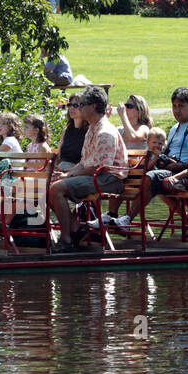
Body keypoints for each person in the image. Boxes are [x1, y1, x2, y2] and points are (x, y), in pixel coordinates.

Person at [48, 85, 127, 253]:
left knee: (56, 188)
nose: (79, 107)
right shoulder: (92, 129)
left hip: (110, 180)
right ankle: (76, 228)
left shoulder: (105, 132)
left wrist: (69, 176)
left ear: (94, 106)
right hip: (98, 176)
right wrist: (66, 174)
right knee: (49, 187)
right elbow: (85, 162)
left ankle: (66, 240)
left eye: (82, 104)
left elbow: (99, 167)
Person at [136, 86, 188, 213]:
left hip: (185, 174)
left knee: (151, 178)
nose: (176, 110)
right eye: (174, 106)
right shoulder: (174, 128)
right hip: (169, 171)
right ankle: (187, 219)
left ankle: (128, 218)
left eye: (180, 106)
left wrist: (180, 165)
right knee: (143, 176)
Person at [93, 126, 165, 229]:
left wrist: (156, 157)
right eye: (154, 142)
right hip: (134, 179)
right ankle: (109, 215)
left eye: (160, 144)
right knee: (118, 181)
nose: (156, 145)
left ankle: (120, 218)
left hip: (144, 181)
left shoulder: (155, 155)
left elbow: (147, 167)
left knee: (123, 181)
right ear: (148, 142)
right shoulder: (146, 153)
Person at [56, 93, 89, 171]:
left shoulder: (89, 132)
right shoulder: (66, 131)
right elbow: (58, 156)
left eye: (75, 106)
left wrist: (68, 172)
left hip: (76, 172)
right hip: (60, 168)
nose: (71, 108)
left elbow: (86, 161)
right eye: (70, 105)